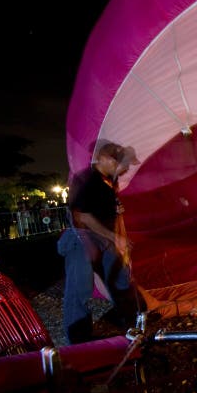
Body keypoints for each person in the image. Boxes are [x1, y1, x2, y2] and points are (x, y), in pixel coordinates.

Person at [57, 140, 142, 343]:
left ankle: (131, 323)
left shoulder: (108, 181)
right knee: (80, 290)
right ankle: (78, 340)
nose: (125, 168)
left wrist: (115, 211)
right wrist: (114, 238)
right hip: (82, 240)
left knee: (121, 280)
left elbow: (100, 210)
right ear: (104, 159)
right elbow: (83, 216)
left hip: (103, 240)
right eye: (121, 163)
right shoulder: (88, 180)